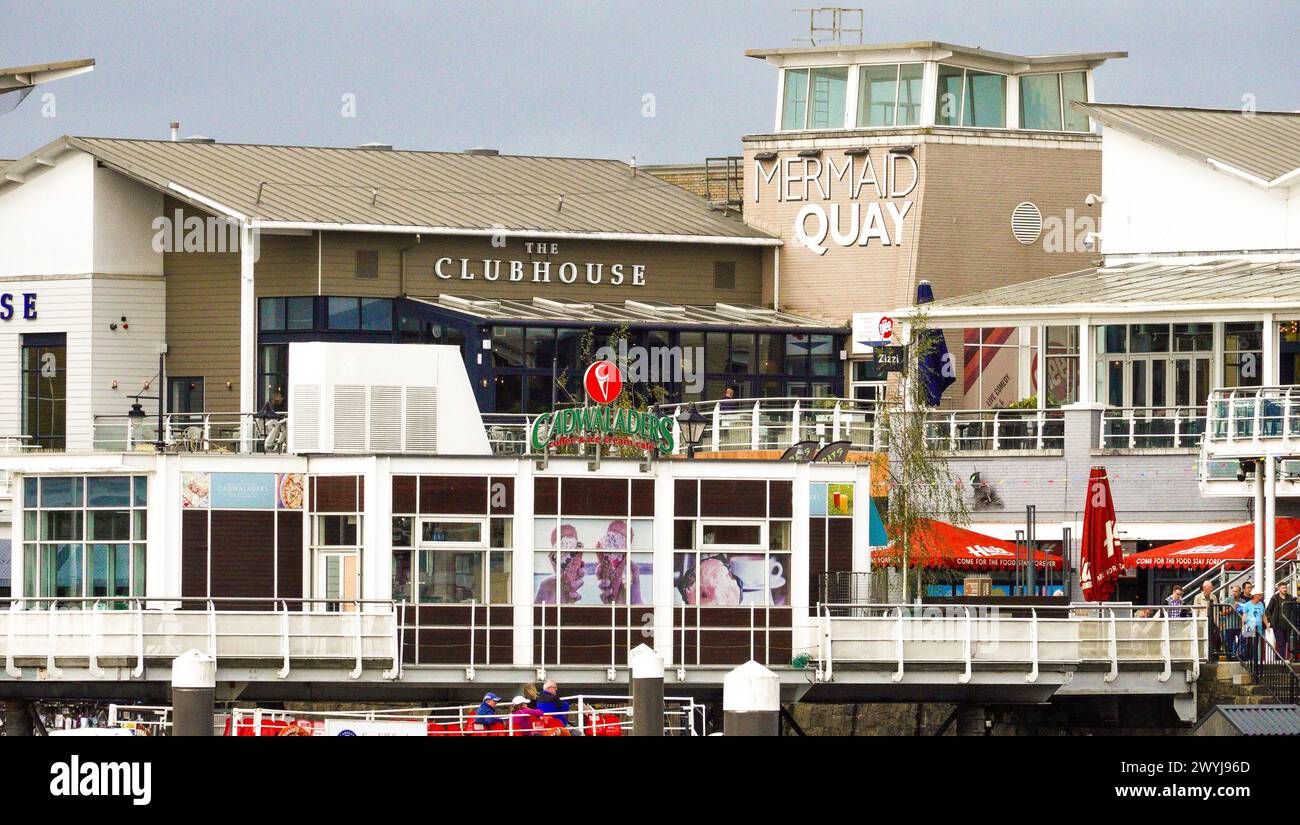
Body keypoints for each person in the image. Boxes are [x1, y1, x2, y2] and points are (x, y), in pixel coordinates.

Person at [1265, 584, 1294, 660]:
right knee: (1281, 643)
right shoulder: (1275, 598)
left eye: (1285, 588)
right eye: (1283, 588)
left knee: (1289, 643)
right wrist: (1271, 621)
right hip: (1277, 625)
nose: (1285, 589)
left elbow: (1293, 609)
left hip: (1288, 624)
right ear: (1279, 589)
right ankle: (1281, 660)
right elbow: (1268, 611)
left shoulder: (1290, 598)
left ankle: (1284, 658)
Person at [1193, 581, 1221, 659]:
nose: (1212, 589)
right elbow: (1196, 611)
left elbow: (1217, 611)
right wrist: (1196, 622)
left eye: (1212, 587)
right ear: (1204, 588)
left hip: (1212, 621)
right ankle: (1203, 655)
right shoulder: (1198, 597)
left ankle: (1213, 655)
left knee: (1214, 638)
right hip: (1202, 622)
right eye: (1210, 587)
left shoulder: (1214, 597)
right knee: (1203, 638)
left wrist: (1218, 623)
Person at [1237, 592, 1266, 664]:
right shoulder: (1248, 604)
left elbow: (1263, 615)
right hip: (1248, 625)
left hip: (1258, 626)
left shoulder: (1261, 604)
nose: (1260, 596)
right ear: (1255, 595)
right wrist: (1243, 626)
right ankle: (1246, 659)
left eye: (1260, 594)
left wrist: (1267, 626)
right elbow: (1244, 616)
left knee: (1255, 644)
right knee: (1247, 643)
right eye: (1259, 594)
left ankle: (1253, 660)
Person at [1223, 584, 1243, 660]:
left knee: (1242, 642)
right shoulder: (1228, 600)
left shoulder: (1243, 601)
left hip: (1239, 625)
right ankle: (1229, 658)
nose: (1234, 593)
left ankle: (1240, 656)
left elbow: (1244, 613)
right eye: (1233, 591)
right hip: (1229, 625)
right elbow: (1223, 613)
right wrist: (1232, 608)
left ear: (1240, 592)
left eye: (1236, 591)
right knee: (1229, 643)